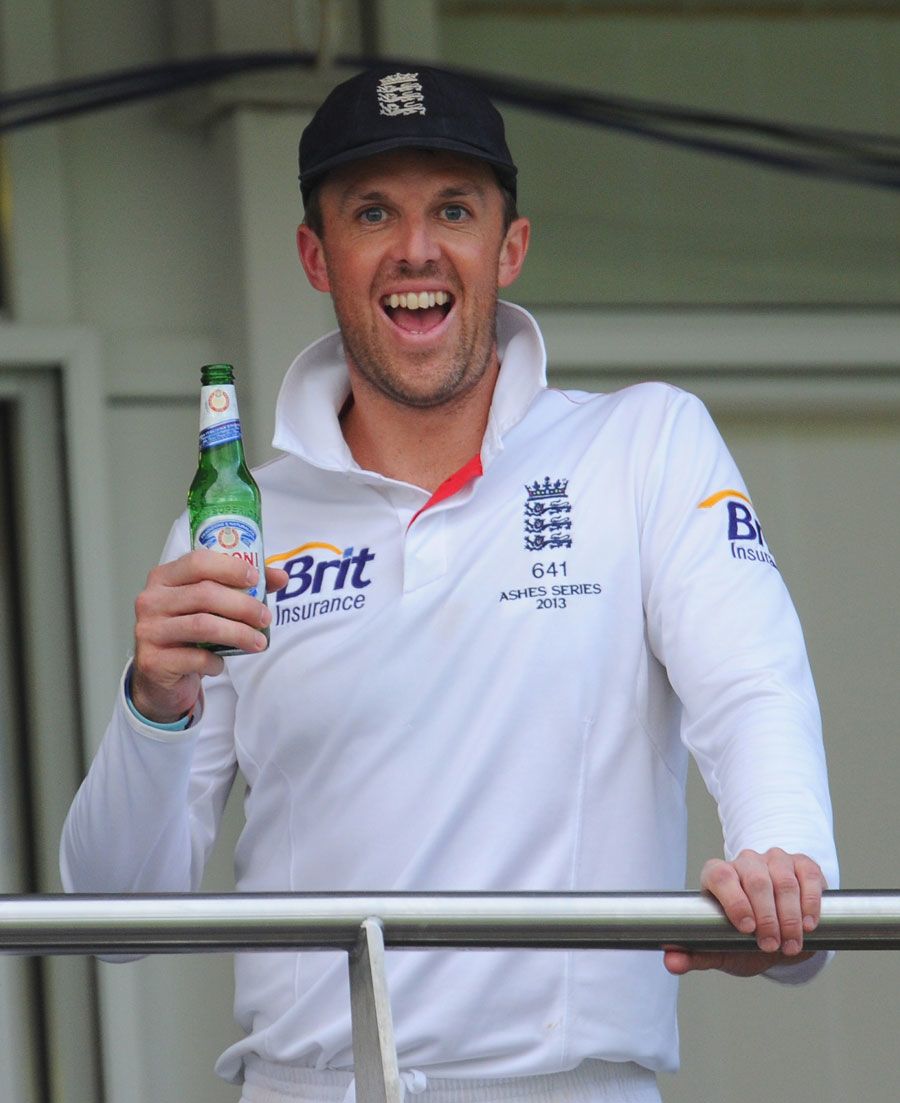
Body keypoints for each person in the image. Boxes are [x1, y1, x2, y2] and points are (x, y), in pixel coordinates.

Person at [61, 65, 838, 1103]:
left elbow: (753, 688)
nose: (416, 249)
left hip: (571, 1085)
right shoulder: (237, 522)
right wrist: (151, 706)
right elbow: (112, 912)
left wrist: (783, 873)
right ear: (315, 253)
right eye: (372, 210)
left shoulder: (646, 443)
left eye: (454, 209)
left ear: (509, 245)